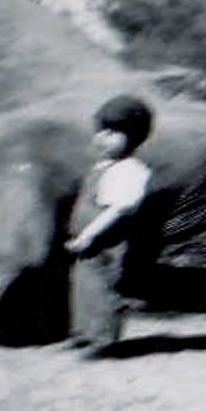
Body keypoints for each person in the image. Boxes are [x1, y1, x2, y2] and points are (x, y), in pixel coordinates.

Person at [64, 94, 154, 357]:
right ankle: (83, 332)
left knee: (103, 288)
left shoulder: (131, 170)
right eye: (101, 131)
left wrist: (89, 234)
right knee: (83, 285)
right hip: (88, 238)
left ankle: (103, 339)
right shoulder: (104, 165)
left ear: (134, 137)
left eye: (113, 133)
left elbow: (118, 209)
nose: (103, 138)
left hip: (107, 239)